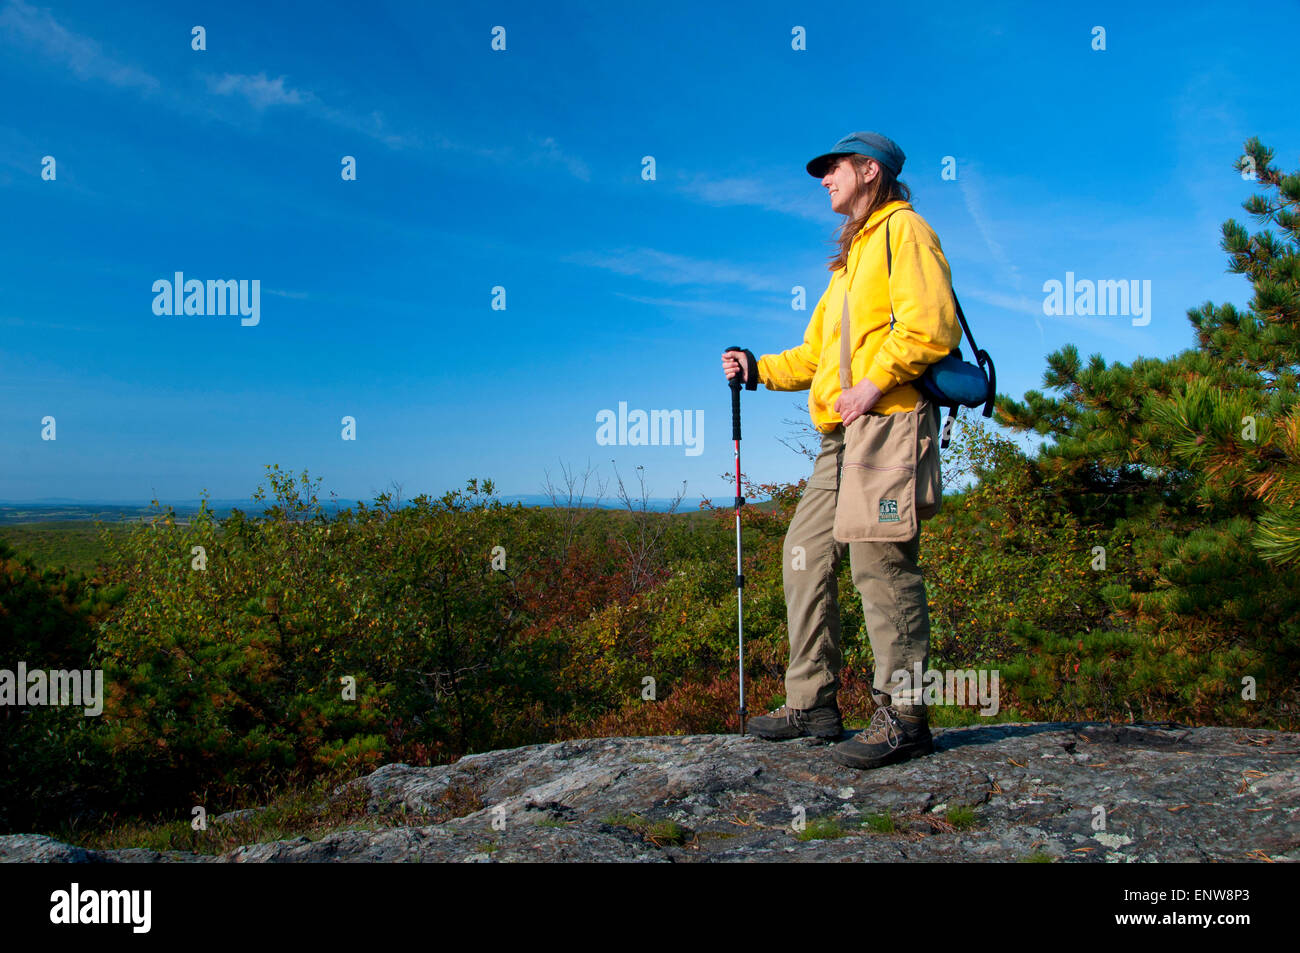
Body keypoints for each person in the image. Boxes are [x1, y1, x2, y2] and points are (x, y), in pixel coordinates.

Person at [720, 131, 961, 770]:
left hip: (887, 424)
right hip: (841, 438)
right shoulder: (849, 263)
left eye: (834, 169)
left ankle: (906, 718)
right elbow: (814, 356)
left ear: (870, 171)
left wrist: (873, 384)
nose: (824, 179)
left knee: (879, 566)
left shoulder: (904, 232)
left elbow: (929, 326)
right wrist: (757, 369)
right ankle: (814, 703)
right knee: (803, 554)